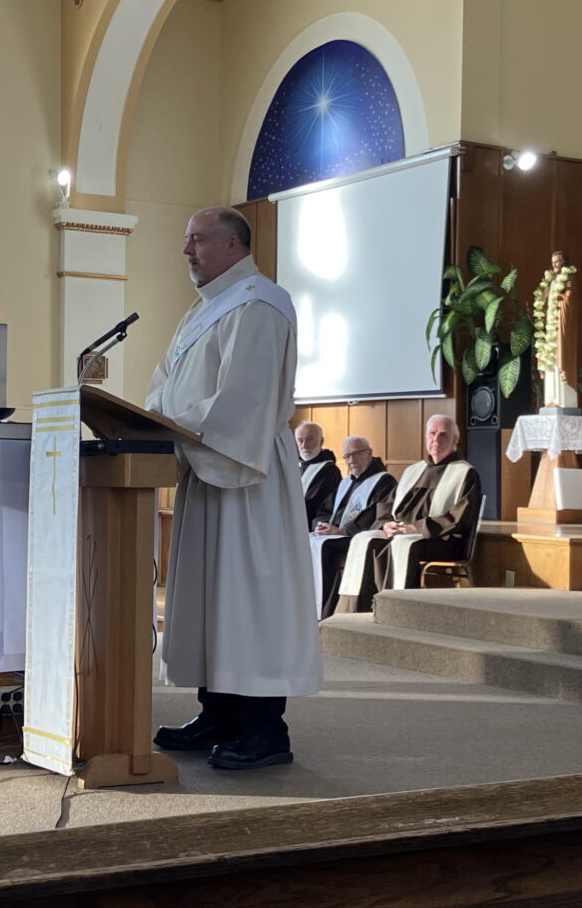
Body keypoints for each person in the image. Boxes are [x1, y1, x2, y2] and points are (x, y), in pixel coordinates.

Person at [145, 206, 319, 771]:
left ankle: (266, 728)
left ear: (232, 244)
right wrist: (156, 422)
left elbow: (242, 400)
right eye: (186, 240)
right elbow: (163, 386)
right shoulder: (201, 313)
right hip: (207, 465)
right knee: (210, 599)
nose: (187, 251)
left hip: (246, 472)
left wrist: (178, 425)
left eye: (196, 240)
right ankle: (217, 712)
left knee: (249, 599)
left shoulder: (261, 304)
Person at [328, 415, 482, 616]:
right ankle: (358, 610)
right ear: (426, 438)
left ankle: (397, 611)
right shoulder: (413, 471)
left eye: (443, 435)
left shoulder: (465, 473)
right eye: (432, 434)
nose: (436, 440)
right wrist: (386, 525)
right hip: (403, 531)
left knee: (402, 544)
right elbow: (387, 505)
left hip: (441, 539)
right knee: (364, 539)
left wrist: (415, 528)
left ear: (455, 440)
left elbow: (460, 518)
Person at [310, 436, 395, 615]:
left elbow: (377, 515)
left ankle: (327, 609)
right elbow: (325, 509)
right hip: (336, 533)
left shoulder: (384, 482)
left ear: (370, 454)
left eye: (356, 454)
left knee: (327, 547)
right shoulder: (345, 482)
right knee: (308, 541)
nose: (351, 461)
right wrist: (321, 525)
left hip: (357, 537)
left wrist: (343, 530)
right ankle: (308, 604)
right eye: (347, 456)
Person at [295, 423, 340, 531]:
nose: (304, 446)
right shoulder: (294, 466)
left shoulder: (328, 470)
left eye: (309, 440)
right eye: (300, 440)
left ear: (321, 441)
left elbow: (316, 505)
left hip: (311, 529)